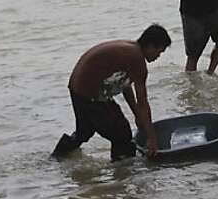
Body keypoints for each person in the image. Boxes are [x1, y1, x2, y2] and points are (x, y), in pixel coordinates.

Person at [52, 24, 171, 161]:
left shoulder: (131, 50)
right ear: (150, 46)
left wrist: (137, 115)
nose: (158, 56)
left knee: (84, 131)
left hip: (77, 88)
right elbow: (143, 102)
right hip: (90, 92)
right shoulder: (137, 59)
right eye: (159, 52)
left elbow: (125, 86)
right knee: (122, 133)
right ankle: (122, 172)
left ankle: (57, 158)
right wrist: (152, 138)